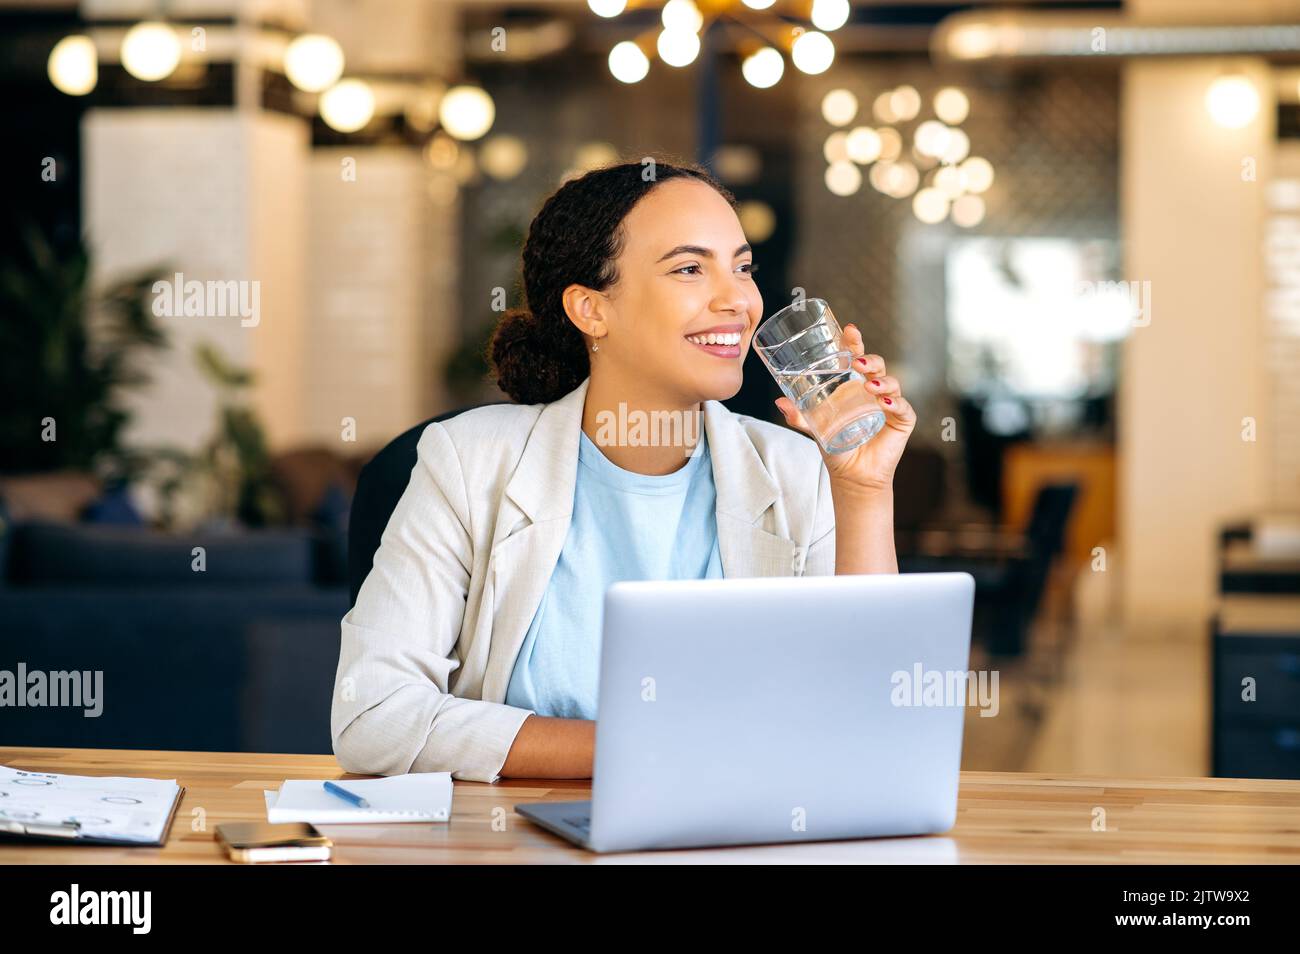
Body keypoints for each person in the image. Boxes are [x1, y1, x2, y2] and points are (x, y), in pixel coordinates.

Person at [331, 158, 916, 782]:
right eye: (690, 268)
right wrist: (648, 750)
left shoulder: (798, 469)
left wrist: (863, 487)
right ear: (590, 310)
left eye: (742, 267)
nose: (738, 300)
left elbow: (870, 720)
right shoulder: (468, 462)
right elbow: (374, 715)